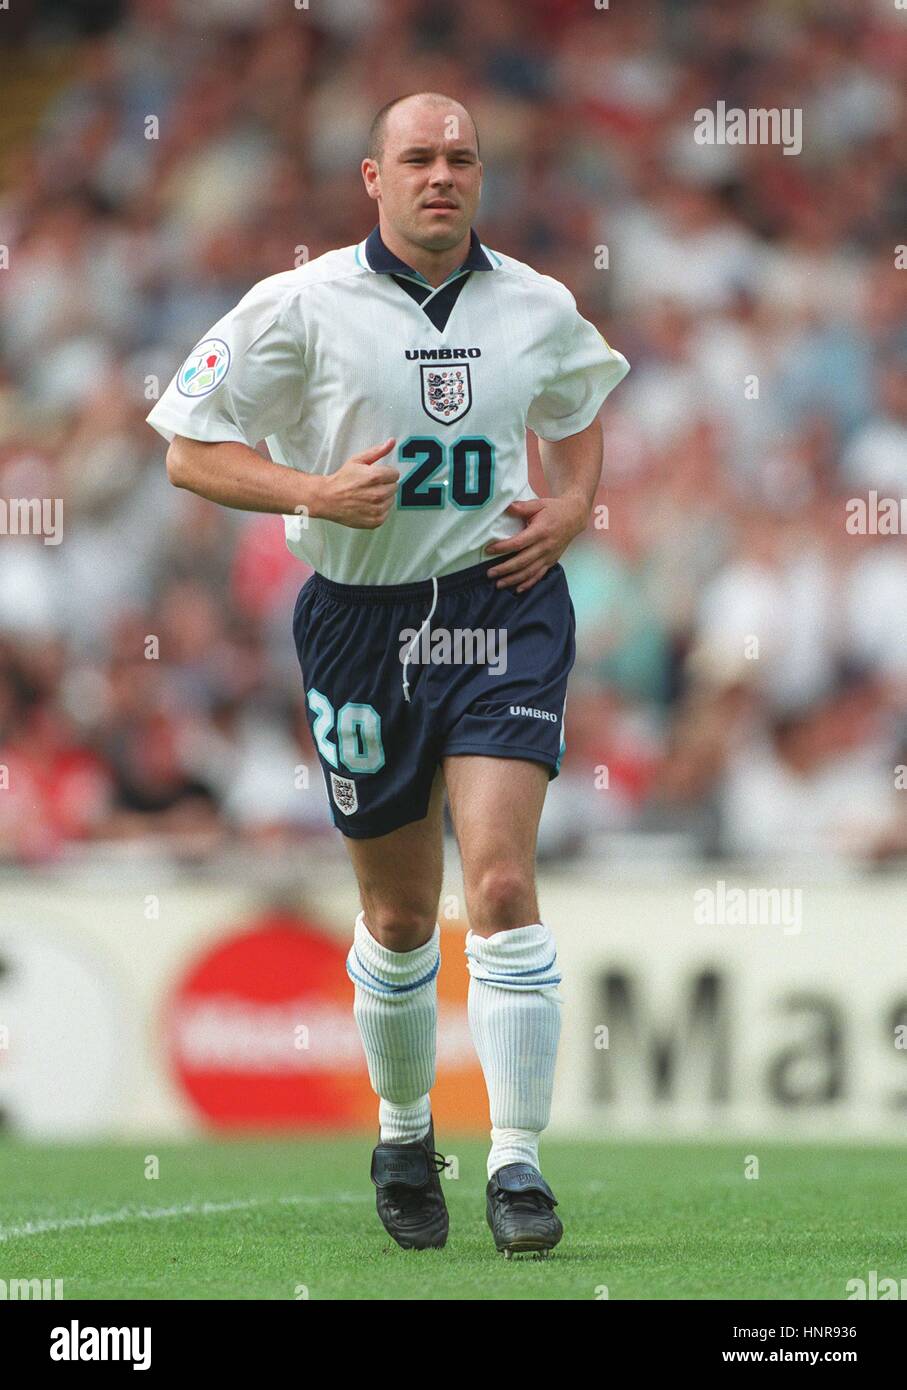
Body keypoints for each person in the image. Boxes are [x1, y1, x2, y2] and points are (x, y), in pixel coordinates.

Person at [147, 91, 629, 1258]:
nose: (442, 175)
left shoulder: (536, 302)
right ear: (372, 177)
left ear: (480, 174)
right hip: (359, 622)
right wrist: (310, 492)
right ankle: (405, 1131)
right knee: (401, 914)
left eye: (461, 156)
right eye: (418, 157)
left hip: (498, 606)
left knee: (502, 883)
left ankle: (515, 1161)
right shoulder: (298, 305)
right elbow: (185, 450)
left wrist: (567, 507)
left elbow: (578, 407)